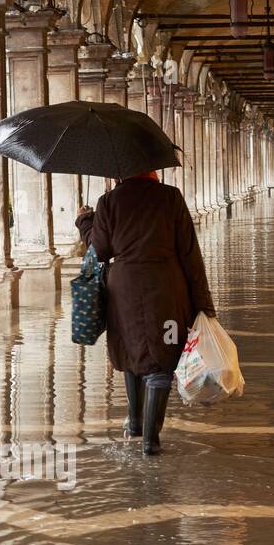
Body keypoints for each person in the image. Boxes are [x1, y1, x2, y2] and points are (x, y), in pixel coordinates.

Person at [76, 171, 216, 456]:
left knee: (131, 350)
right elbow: (190, 254)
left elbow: (100, 250)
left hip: (123, 291)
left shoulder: (108, 202)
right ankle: (150, 440)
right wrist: (203, 304)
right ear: (153, 171)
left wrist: (85, 221)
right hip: (166, 288)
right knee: (162, 358)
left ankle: (136, 421)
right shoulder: (171, 197)